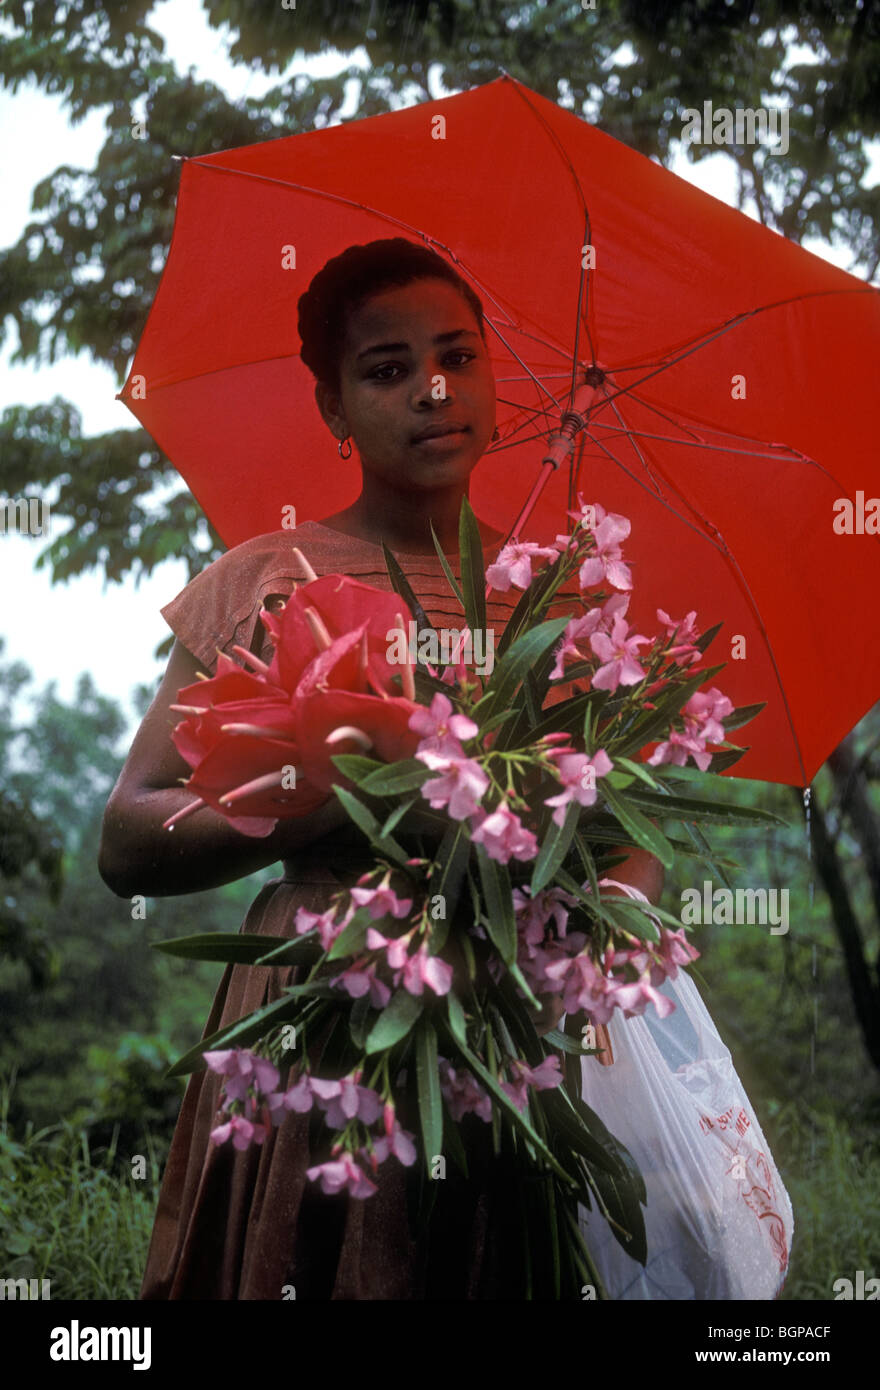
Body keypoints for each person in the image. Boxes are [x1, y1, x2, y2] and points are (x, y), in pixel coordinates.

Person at [99, 237, 664, 1300]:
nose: (431, 390)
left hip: (497, 1023)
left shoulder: (555, 608)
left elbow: (626, 848)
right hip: (316, 1000)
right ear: (333, 409)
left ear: (498, 387)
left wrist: (592, 925)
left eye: (457, 356)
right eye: (387, 368)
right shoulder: (266, 579)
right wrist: (312, 803)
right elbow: (128, 836)